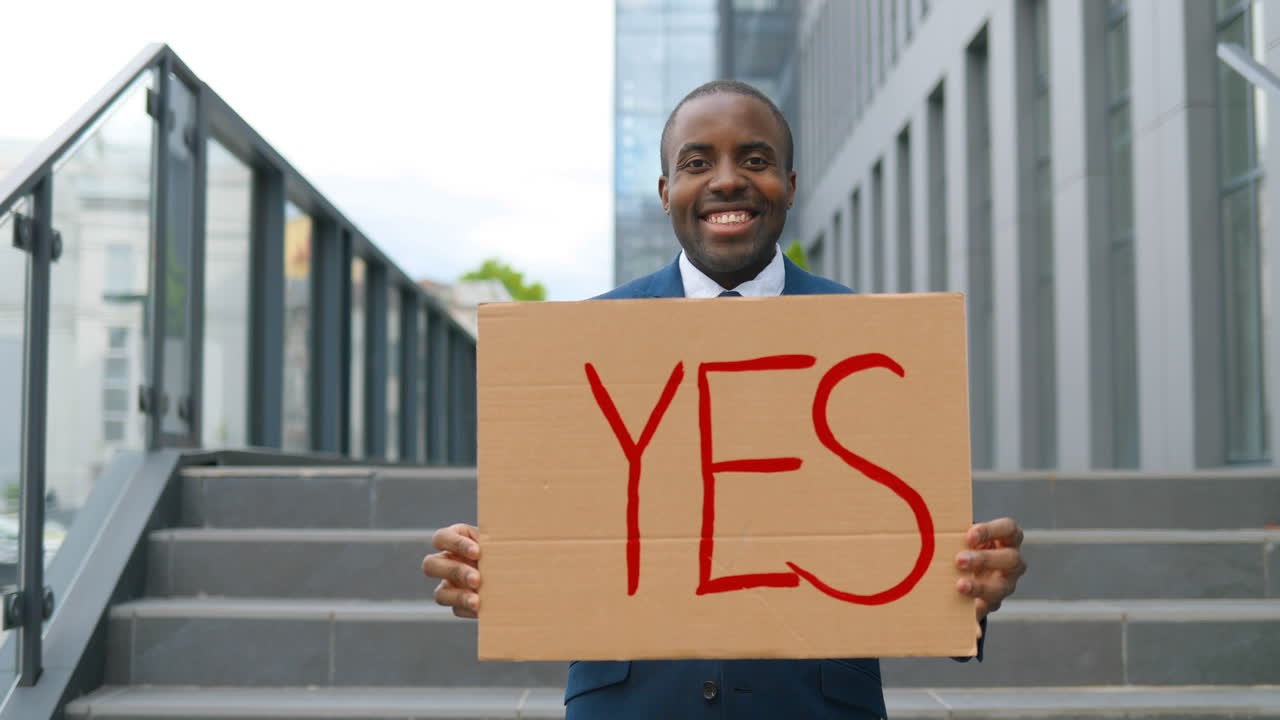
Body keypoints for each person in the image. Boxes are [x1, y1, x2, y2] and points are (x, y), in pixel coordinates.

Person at [422, 80, 1027, 719]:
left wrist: (972, 588)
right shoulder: (583, 344)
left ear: (790, 185)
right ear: (665, 193)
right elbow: (558, 532)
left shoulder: (876, 344)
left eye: (756, 161)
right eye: (696, 162)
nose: (728, 180)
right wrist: (489, 570)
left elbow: (907, 550)